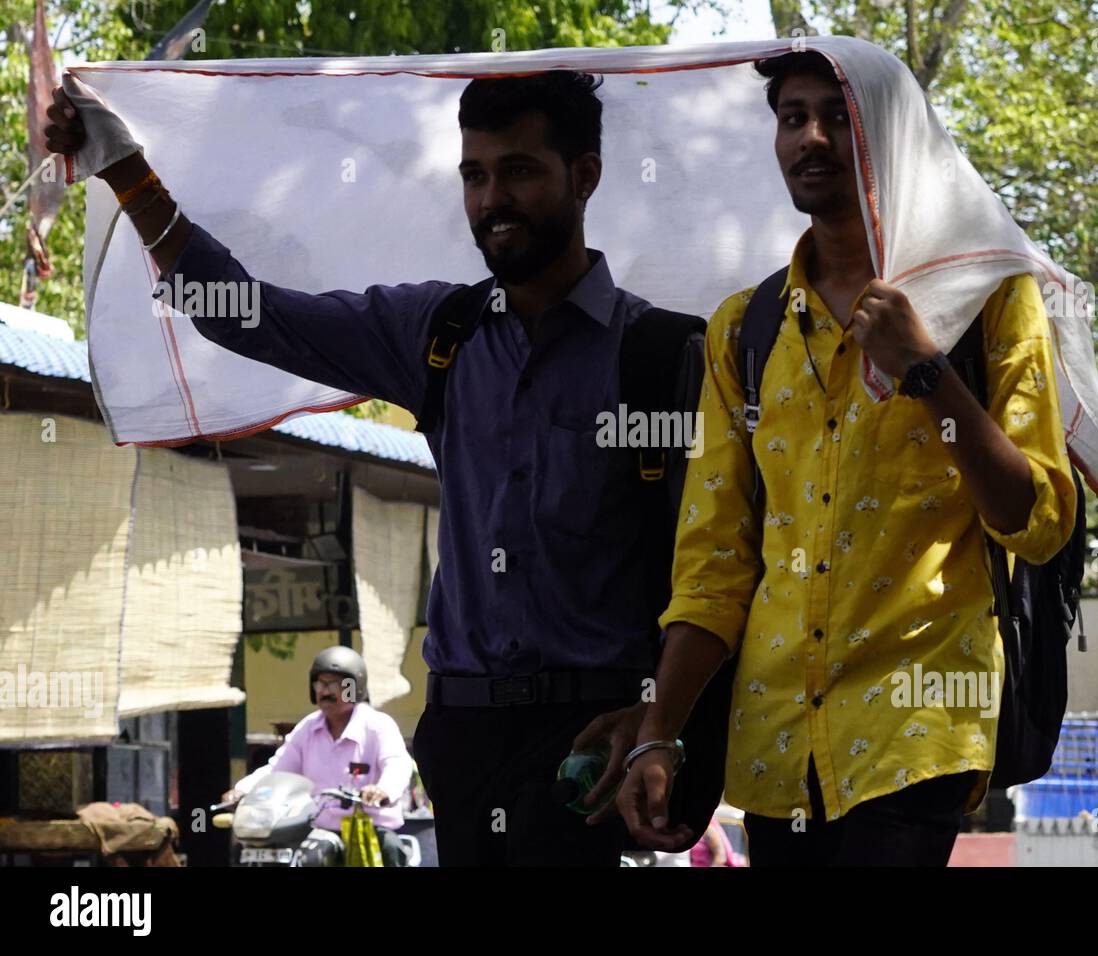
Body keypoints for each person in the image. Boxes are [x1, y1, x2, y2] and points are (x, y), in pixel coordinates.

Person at [45, 70, 704, 866]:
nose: (493, 198)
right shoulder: (440, 333)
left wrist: (662, 718)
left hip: (592, 750)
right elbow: (251, 318)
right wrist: (126, 171)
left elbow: (724, 567)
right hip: (463, 742)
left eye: (520, 171)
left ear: (585, 175)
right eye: (475, 174)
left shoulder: (667, 355)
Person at [617, 51, 1077, 866]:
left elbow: (1038, 520)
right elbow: (713, 567)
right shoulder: (743, 330)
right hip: (772, 749)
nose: (813, 137)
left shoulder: (988, 299)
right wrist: (658, 737)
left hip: (916, 729)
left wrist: (926, 372)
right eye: (793, 117)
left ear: (894, 136)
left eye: (840, 116)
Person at [222, 646, 413, 867]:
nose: (325, 691)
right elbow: (276, 770)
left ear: (355, 687)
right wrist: (242, 790)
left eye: (334, 684)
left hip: (368, 833)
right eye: (320, 684)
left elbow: (397, 765)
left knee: (390, 848)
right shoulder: (308, 727)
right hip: (317, 833)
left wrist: (383, 790)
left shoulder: (378, 726)